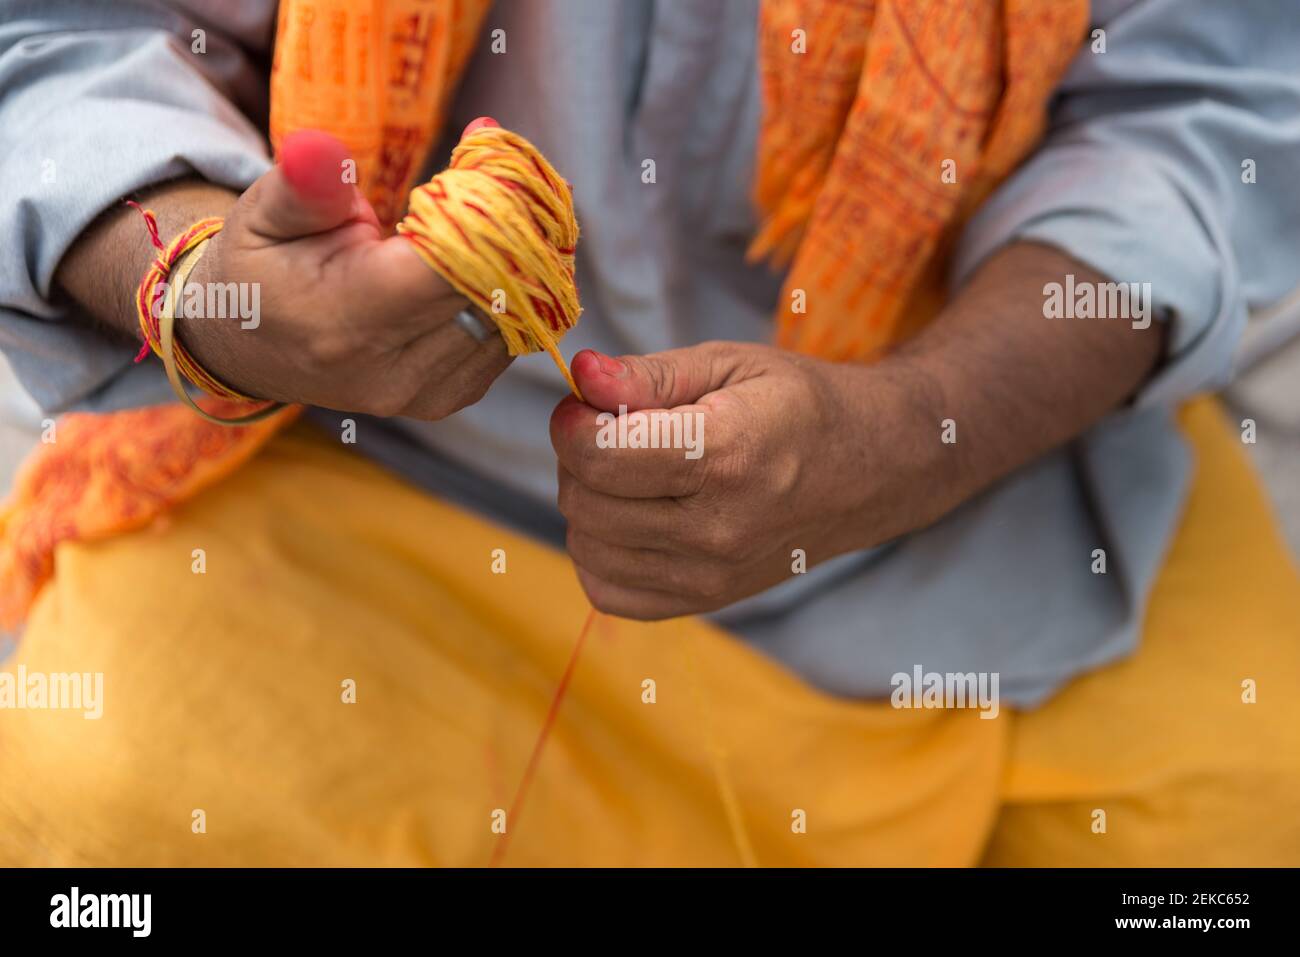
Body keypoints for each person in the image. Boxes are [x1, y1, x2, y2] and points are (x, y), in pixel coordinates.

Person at [0, 0, 1297, 866]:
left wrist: (917, 423)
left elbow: (1204, 107)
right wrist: (209, 293)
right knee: (104, 812)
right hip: (360, 465)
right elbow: (54, 37)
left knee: (1246, 826)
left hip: (993, 470)